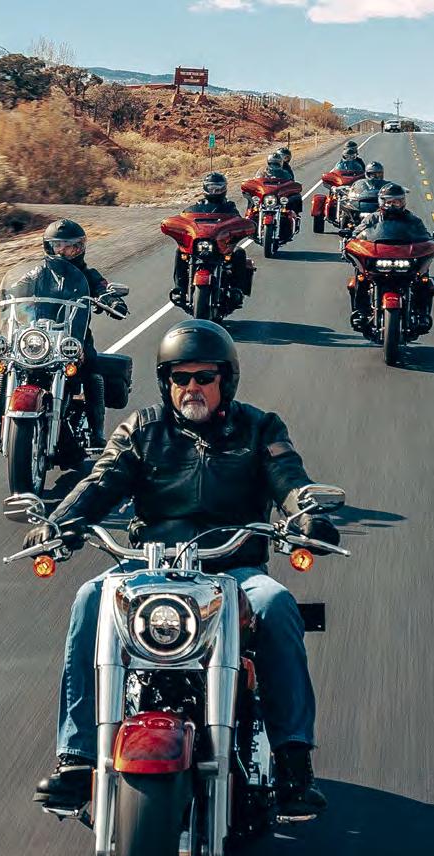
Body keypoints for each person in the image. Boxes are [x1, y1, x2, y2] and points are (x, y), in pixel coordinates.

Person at [25, 320, 340, 817]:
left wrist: (307, 513)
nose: (192, 386)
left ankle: (294, 763)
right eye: (180, 377)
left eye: (204, 376)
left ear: (225, 380)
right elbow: (100, 482)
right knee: (90, 597)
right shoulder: (142, 430)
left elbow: (289, 477)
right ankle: (78, 758)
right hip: (148, 568)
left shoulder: (260, 429)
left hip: (233, 569)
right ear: (165, 381)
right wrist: (58, 523)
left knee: (278, 604)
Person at [0, 219, 127, 453]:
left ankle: (97, 431)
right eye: (57, 245)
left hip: (72, 339)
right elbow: (17, 287)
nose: (63, 251)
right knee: (8, 363)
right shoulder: (39, 272)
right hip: (37, 336)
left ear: (80, 248)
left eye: (70, 246)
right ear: (48, 247)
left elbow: (102, 287)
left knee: (92, 369)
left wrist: (111, 299)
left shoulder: (88, 275)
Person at [346, 183, 434, 331]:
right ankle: (361, 312)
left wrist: (430, 243)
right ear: (382, 202)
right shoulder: (373, 218)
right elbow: (358, 233)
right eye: (389, 201)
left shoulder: (413, 220)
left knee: (423, 278)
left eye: (396, 201)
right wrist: (352, 239)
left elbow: (424, 236)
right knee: (361, 277)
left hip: (405, 261)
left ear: (403, 201)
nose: (392, 205)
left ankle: (422, 314)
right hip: (378, 260)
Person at [173, 171, 254, 309]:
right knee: (180, 251)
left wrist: (242, 228)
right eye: (211, 187)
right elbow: (185, 220)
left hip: (221, 245)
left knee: (239, 253)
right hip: (201, 243)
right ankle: (179, 289)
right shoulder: (196, 207)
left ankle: (237, 290)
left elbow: (238, 222)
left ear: (224, 189)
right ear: (205, 188)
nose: (214, 191)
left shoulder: (229, 207)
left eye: (218, 188)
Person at [343, 160, 388, 227]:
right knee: (347, 207)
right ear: (367, 174)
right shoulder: (360, 183)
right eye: (372, 174)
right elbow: (353, 190)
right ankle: (347, 226)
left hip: (379, 204)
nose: (375, 176)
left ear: (382, 174)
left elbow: (394, 192)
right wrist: (352, 195)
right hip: (363, 204)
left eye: (378, 174)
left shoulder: (387, 184)